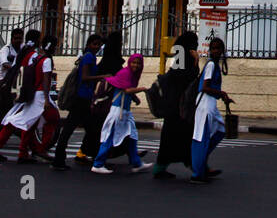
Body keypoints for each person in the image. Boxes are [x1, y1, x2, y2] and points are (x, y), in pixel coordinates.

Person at [0, 34, 56, 163]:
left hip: (23, 92)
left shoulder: (23, 54)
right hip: (36, 94)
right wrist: (47, 99)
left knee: (26, 122)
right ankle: (35, 150)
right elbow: (44, 78)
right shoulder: (38, 58)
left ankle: (26, 151)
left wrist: (3, 88)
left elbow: (14, 71)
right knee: (25, 120)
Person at [51, 33, 104, 171]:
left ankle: (95, 157)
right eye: (94, 44)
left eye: (98, 44)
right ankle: (60, 159)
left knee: (91, 129)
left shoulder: (88, 57)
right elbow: (86, 77)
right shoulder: (88, 57)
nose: (97, 47)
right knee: (72, 129)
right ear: (88, 45)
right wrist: (102, 77)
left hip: (85, 98)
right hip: (81, 99)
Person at [153, 32, 200, 181]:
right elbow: (182, 75)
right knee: (176, 135)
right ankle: (162, 167)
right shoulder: (181, 52)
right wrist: (196, 62)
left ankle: (194, 165)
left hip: (178, 104)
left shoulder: (181, 51)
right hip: (176, 106)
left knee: (181, 135)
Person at [92, 53, 148, 174]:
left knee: (132, 135)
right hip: (118, 110)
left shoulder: (132, 75)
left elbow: (127, 89)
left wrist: (135, 98)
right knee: (110, 136)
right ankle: (98, 163)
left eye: (138, 63)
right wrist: (142, 89)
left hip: (125, 111)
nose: (136, 65)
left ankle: (136, 162)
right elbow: (126, 89)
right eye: (134, 62)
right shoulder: (125, 73)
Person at [190, 37, 232, 184]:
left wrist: (222, 97)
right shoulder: (210, 65)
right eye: (213, 48)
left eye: (218, 48)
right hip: (205, 105)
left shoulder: (215, 65)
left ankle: (202, 163)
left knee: (220, 130)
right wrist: (222, 94)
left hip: (211, 104)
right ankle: (197, 172)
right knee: (201, 138)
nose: (216, 51)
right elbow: (205, 87)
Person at [78, 29, 124, 162]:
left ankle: (89, 152)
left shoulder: (105, 59)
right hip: (103, 100)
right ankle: (95, 155)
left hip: (102, 100)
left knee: (97, 127)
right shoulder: (93, 58)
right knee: (97, 128)